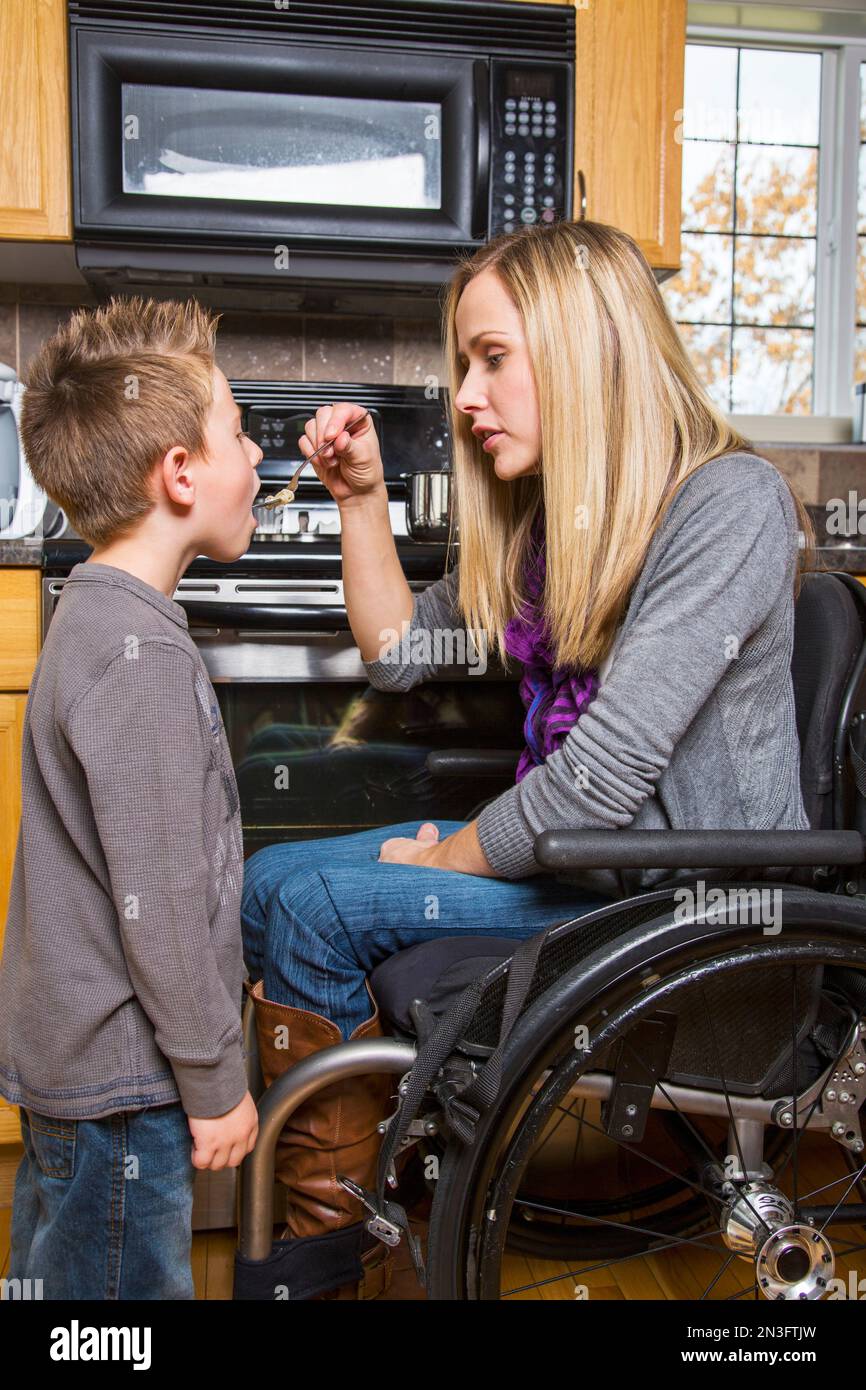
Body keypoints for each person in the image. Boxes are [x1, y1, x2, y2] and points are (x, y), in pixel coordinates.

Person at [240, 218, 818, 1298]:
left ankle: (324, 1253)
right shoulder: (563, 523)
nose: (465, 393)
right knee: (264, 880)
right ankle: (357, 1188)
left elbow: (599, 780)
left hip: (680, 908)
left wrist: (443, 861)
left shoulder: (726, 504)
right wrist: (360, 499)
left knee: (316, 906)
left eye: (491, 357)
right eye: (466, 362)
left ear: (586, 348)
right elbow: (399, 658)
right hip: (578, 864)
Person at [0, 297, 263, 1299]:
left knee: (59, 1281)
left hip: (76, 1066)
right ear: (182, 473)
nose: (257, 459)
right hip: (126, 1084)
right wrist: (213, 1078)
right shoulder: (139, 653)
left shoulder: (92, 612)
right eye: (238, 431)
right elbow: (154, 895)